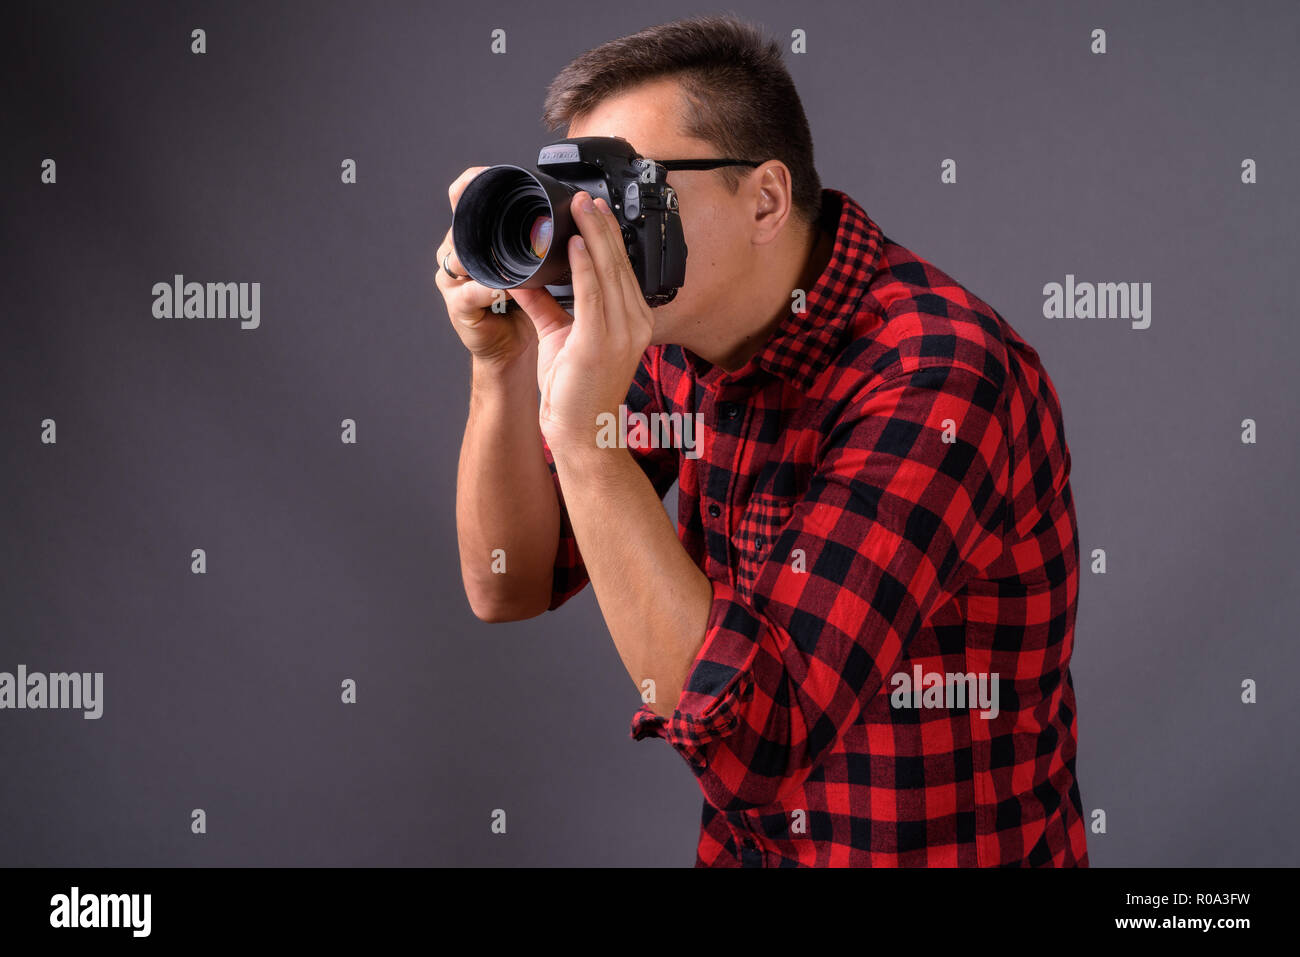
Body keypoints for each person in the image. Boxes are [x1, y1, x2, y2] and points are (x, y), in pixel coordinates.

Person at [435, 14, 1088, 867]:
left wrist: (584, 442)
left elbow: (756, 747)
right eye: (580, 193)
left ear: (766, 200)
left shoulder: (935, 374)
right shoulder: (671, 334)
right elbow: (509, 582)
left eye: (628, 190)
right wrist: (502, 366)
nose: (592, 232)